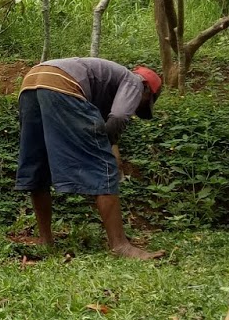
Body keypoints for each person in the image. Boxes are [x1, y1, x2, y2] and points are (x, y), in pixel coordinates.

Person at [15, 57, 163, 259]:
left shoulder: (106, 84)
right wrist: (106, 153)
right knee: (104, 167)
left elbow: (101, 124)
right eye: (144, 102)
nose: (137, 107)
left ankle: (45, 239)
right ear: (147, 90)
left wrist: (110, 145)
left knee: (38, 162)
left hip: (32, 81)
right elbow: (118, 117)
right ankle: (120, 245)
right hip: (62, 83)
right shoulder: (135, 81)